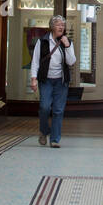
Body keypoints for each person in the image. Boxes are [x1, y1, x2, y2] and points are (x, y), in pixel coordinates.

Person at [30, 15, 76, 148]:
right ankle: (44, 131)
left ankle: (55, 139)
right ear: (52, 27)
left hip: (61, 82)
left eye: (63, 25)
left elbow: (71, 62)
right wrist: (33, 79)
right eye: (58, 24)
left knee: (58, 110)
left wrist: (67, 46)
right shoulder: (42, 41)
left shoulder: (67, 42)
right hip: (46, 80)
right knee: (44, 107)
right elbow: (35, 61)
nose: (61, 27)